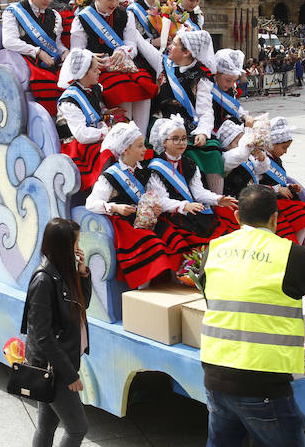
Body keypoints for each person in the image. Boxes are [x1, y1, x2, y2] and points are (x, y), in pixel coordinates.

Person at [200, 185, 305, 447]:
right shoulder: (290, 254)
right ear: (275, 218)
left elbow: (211, 294)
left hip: (215, 376)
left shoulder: (214, 249)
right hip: (262, 383)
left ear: (237, 217)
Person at [85, 122, 190, 288]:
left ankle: (176, 285)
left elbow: (153, 197)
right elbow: (91, 203)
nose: (144, 149)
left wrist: (156, 208)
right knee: (150, 243)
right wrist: (116, 208)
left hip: (146, 220)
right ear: (126, 149)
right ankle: (142, 291)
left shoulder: (144, 171)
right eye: (140, 146)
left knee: (173, 236)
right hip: (126, 225)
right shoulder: (111, 175)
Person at [24, 218, 92, 447]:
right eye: (75, 243)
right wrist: (70, 375)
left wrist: (83, 274)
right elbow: (43, 336)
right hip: (53, 367)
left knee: (46, 426)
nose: (78, 248)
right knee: (77, 428)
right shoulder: (44, 280)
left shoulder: (63, 272)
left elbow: (83, 305)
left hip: (59, 363)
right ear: (63, 246)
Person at [71, 0, 160, 130]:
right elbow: (77, 51)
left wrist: (123, 51)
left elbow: (132, 45)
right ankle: (125, 134)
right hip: (98, 70)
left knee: (144, 84)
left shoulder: (125, 15)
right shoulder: (82, 19)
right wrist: (92, 58)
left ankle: (140, 135)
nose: (114, 3)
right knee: (123, 89)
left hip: (123, 66)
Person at [146, 115, 238, 250]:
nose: (181, 143)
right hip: (172, 214)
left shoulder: (189, 164)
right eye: (175, 139)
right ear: (164, 142)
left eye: (184, 138)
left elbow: (198, 192)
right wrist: (184, 206)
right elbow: (160, 200)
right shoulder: (156, 168)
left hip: (191, 210)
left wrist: (218, 199)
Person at [154, 30, 224, 191]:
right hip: (164, 122)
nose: (169, 47)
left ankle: (217, 198)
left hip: (190, 125)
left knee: (212, 153)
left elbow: (205, 111)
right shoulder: (162, 63)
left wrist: (203, 133)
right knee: (178, 149)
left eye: (174, 45)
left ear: (186, 52)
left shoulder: (201, 77)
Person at [2, 0, 68, 117]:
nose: (49, 0)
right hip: (27, 59)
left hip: (52, 61)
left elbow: (56, 43)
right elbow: (9, 41)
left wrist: (64, 52)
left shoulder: (55, 16)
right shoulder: (14, 11)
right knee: (47, 81)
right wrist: (37, 52)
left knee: (70, 79)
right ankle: (48, 121)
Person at [55, 49, 115, 191]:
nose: (99, 72)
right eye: (95, 70)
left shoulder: (93, 88)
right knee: (105, 152)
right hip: (75, 143)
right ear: (83, 73)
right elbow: (81, 134)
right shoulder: (69, 101)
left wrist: (108, 115)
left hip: (92, 134)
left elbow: (95, 110)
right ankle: (100, 192)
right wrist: (107, 132)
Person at [259, 118, 305, 251]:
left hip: (281, 200)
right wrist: (278, 189)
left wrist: (289, 188)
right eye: (284, 147)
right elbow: (253, 186)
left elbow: (278, 182)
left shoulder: (276, 159)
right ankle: (297, 253)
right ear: (272, 144)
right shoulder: (260, 159)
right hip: (269, 201)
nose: (285, 152)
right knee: (303, 221)